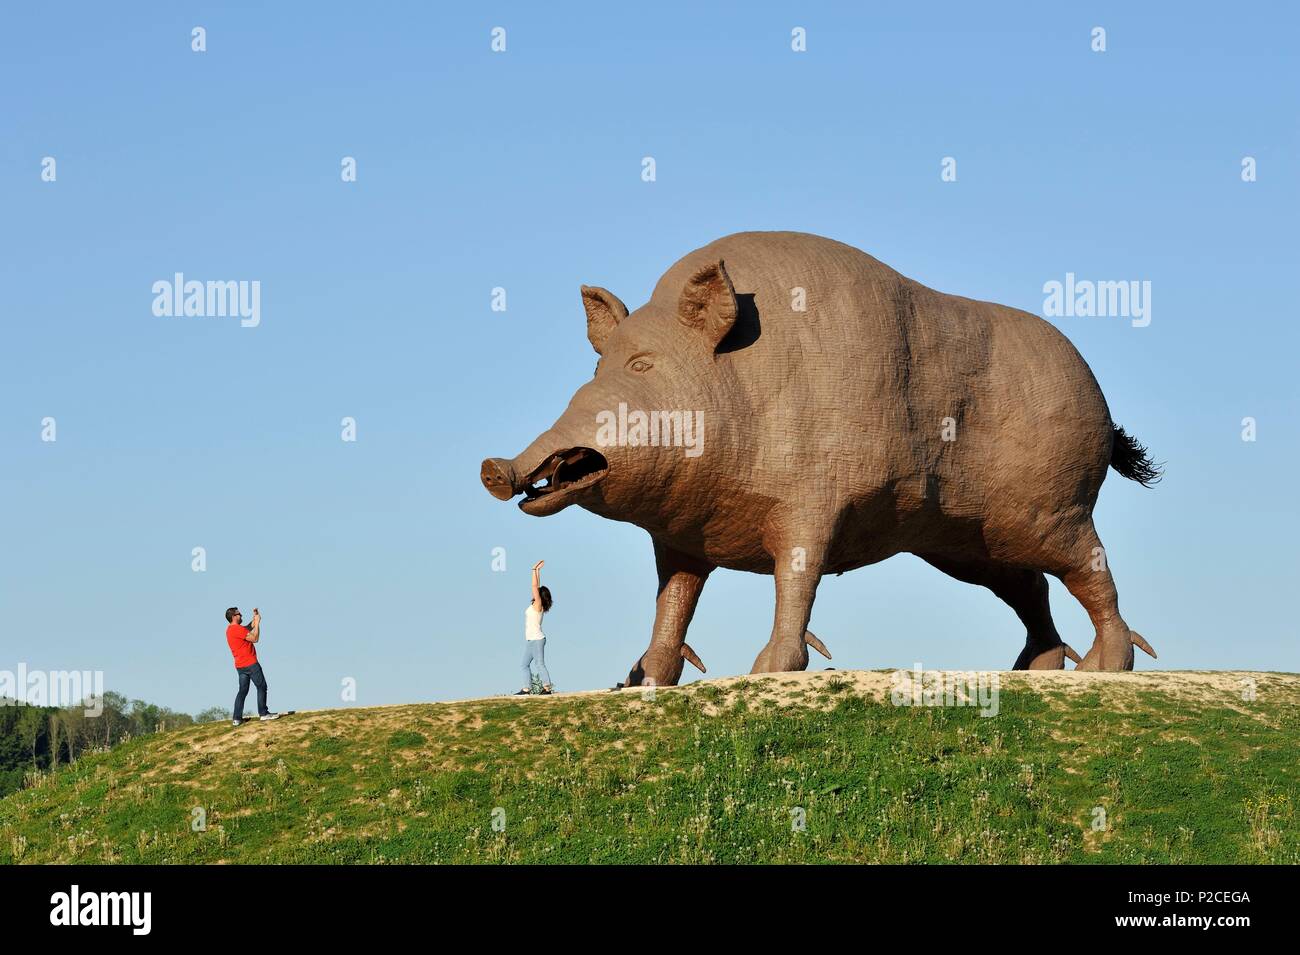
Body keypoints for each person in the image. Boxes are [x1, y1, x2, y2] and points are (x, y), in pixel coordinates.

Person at [225, 607, 279, 725]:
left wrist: (255, 618)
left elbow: (248, 628)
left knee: (242, 691)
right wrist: (258, 624)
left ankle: (237, 719)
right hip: (250, 663)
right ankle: (263, 713)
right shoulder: (237, 629)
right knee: (262, 686)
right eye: (239, 614)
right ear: (234, 616)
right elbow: (255, 638)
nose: (241, 615)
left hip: (240, 665)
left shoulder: (230, 630)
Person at [517, 561, 554, 695]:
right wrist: (538, 571)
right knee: (524, 665)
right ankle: (526, 689)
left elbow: (534, 585)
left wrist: (533, 569)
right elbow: (536, 585)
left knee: (539, 664)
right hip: (530, 640)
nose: (535, 592)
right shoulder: (536, 603)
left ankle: (547, 688)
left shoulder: (538, 604)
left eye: (538, 592)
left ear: (540, 595)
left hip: (537, 639)